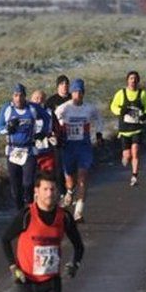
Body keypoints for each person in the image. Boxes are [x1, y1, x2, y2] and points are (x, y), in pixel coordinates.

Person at [54, 79, 104, 222]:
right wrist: (56, 134)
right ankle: (69, 192)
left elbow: (99, 119)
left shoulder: (89, 108)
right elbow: (52, 121)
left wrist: (99, 134)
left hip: (84, 146)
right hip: (68, 147)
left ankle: (79, 212)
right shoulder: (64, 108)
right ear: (71, 93)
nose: (78, 95)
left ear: (83, 93)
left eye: (80, 92)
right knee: (70, 180)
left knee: (82, 177)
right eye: (75, 92)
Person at [0, 83, 50, 210]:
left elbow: (47, 118)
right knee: (15, 189)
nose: (18, 98)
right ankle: (20, 213)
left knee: (28, 183)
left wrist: (43, 133)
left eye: (21, 95)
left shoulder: (32, 108)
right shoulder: (7, 109)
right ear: (12, 97)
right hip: (12, 151)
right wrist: (8, 129)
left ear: (25, 96)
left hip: (29, 150)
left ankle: (30, 207)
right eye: (16, 95)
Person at [109, 71, 146, 187]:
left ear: (138, 81)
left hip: (137, 128)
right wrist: (120, 111)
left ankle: (134, 176)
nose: (133, 81)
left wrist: (145, 114)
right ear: (127, 81)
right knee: (127, 156)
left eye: (135, 79)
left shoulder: (142, 94)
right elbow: (112, 106)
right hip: (124, 129)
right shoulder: (121, 93)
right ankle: (125, 157)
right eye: (131, 78)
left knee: (135, 151)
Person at [30, 89, 58, 176]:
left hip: (46, 150)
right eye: (36, 98)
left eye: (41, 99)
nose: (39, 101)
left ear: (45, 101)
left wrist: (54, 137)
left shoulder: (50, 112)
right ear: (31, 100)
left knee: (48, 176)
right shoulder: (26, 113)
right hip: (31, 150)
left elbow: (56, 128)